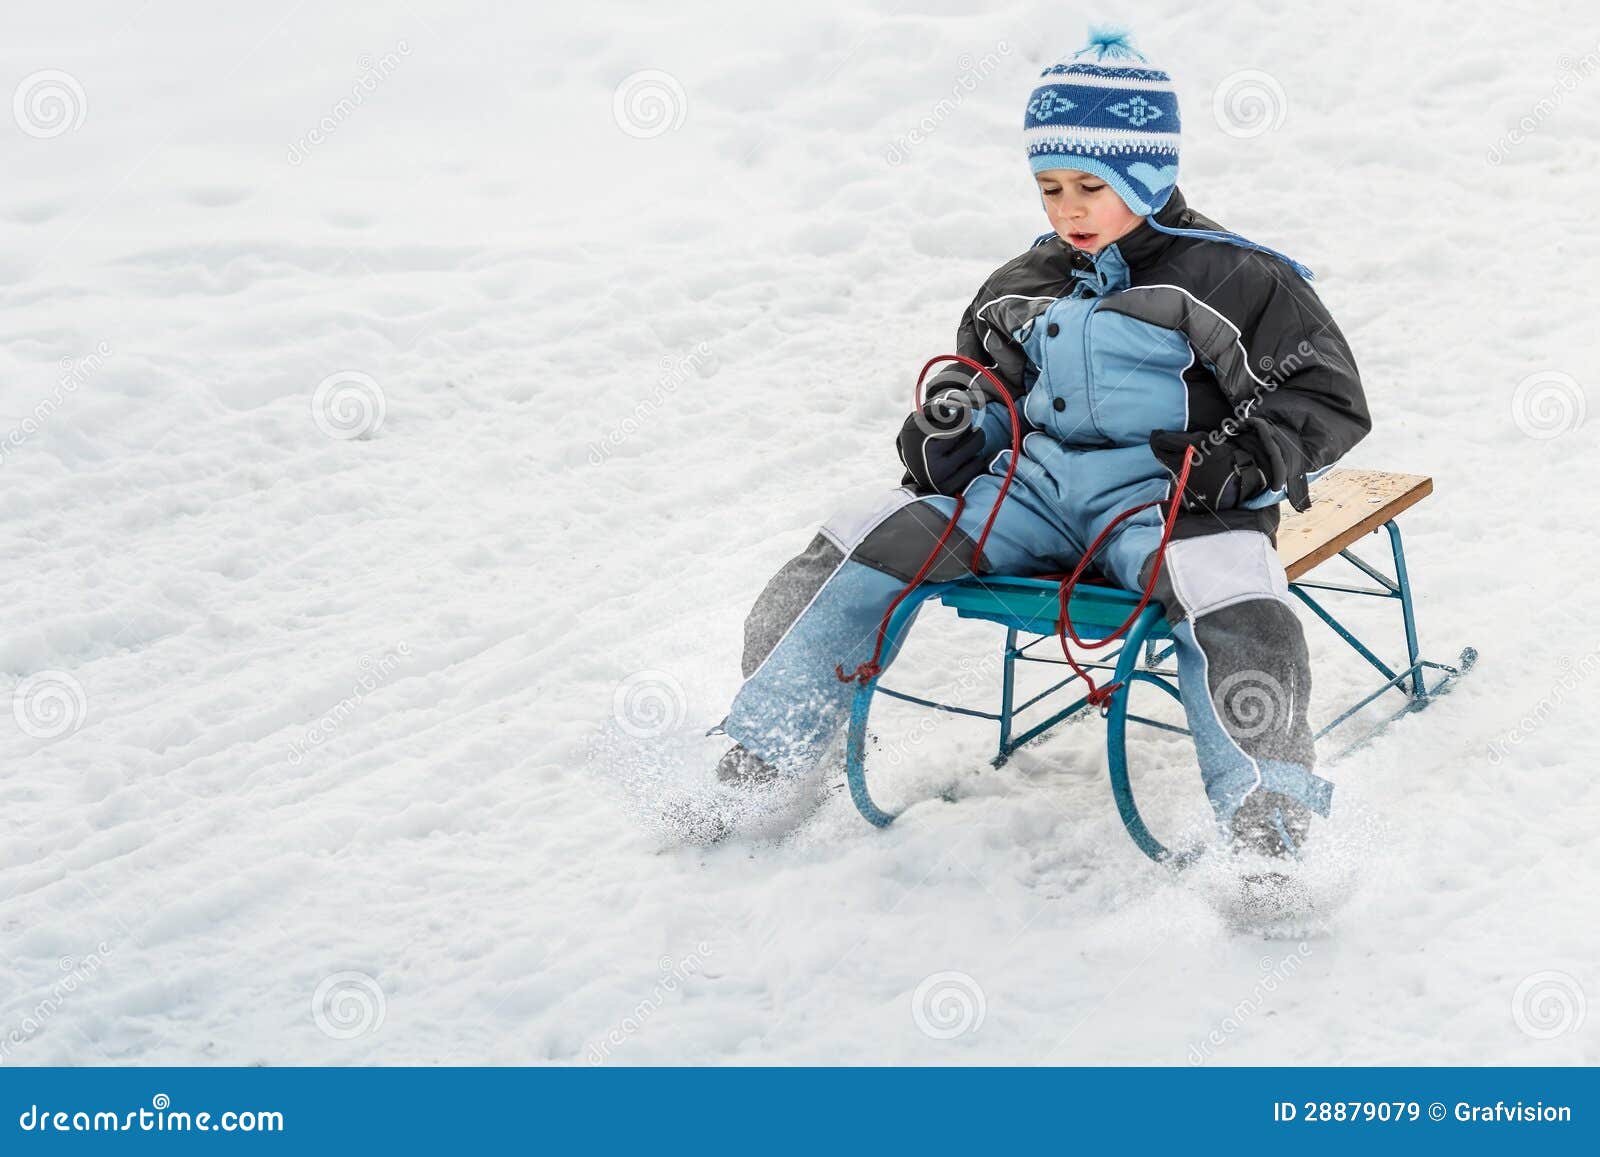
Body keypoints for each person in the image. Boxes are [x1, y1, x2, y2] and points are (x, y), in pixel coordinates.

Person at [708, 28, 1370, 857]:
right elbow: (983, 379)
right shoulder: (1025, 280)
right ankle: (766, 752)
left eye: (1091, 185)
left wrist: (1241, 460)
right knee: (858, 538)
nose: (1067, 209)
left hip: (1165, 500)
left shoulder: (1230, 277)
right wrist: (953, 428)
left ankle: (1268, 822)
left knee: (1235, 599)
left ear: (1149, 174)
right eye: (1049, 187)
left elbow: (1323, 394)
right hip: (1031, 493)